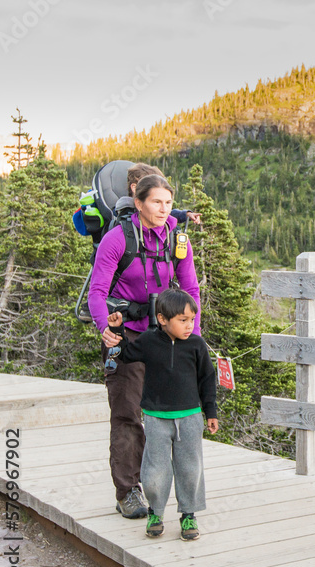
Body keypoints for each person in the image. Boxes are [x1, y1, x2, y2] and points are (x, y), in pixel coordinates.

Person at [89, 174, 203, 519]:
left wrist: (189, 334)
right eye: (156, 202)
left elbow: (191, 291)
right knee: (127, 411)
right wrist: (104, 331)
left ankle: (174, 495)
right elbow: (97, 292)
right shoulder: (116, 239)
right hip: (125, 334)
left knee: (170, 413)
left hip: (164, 335)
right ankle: (128, 492)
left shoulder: (177, 239)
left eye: (168, 203)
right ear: (138, 203)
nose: (163, 209)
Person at [106, 289, 219, 541]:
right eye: (182, 320)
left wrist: (210, 411)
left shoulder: (196, 345)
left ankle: (188, 513)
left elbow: (207, 378)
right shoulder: (149, 341)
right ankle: (155, 512)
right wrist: (117, 330)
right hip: (156, 417)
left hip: (190, 417)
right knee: (155, 469)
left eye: (192, 319)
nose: (189, 325)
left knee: (190, 468)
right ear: (163, 319)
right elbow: (126, 354)